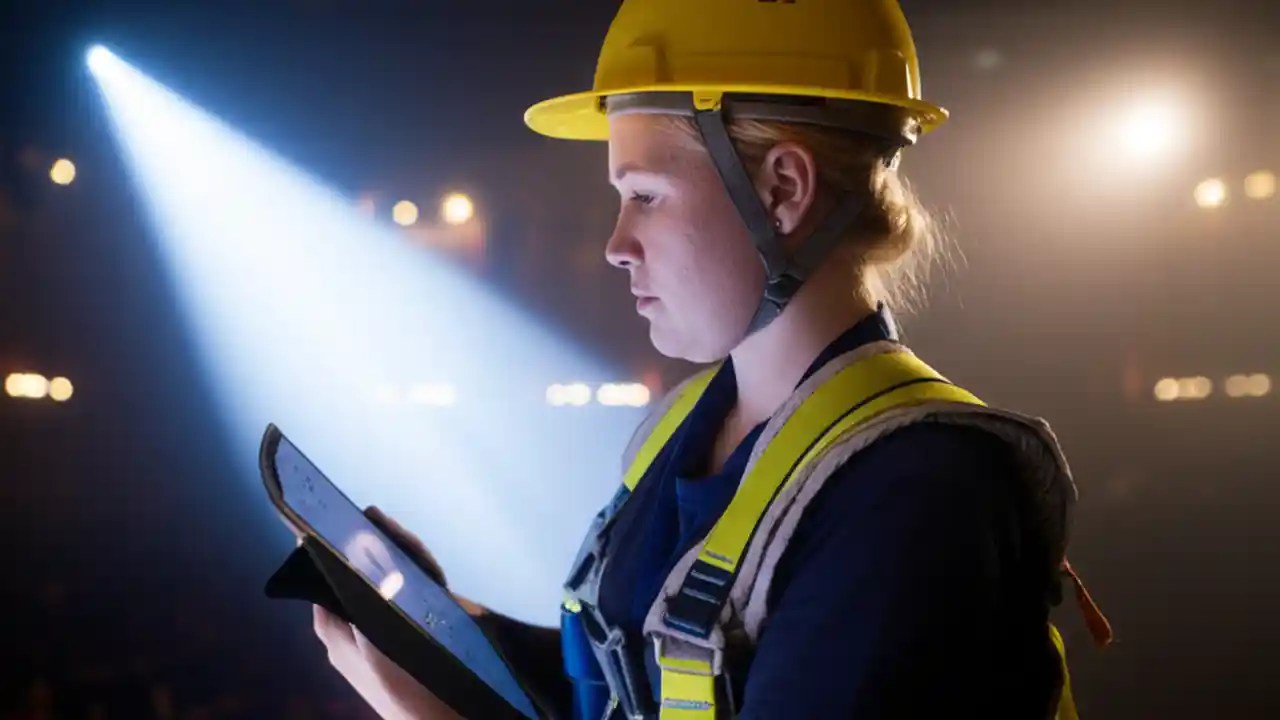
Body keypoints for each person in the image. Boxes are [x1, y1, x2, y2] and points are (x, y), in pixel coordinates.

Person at [311, 1, 1111, 718]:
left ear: (783, 189)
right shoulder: (679, 431)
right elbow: (633, 691)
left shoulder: (919, 494)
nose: (617, 245)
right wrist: (447, 629)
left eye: (646, 195)